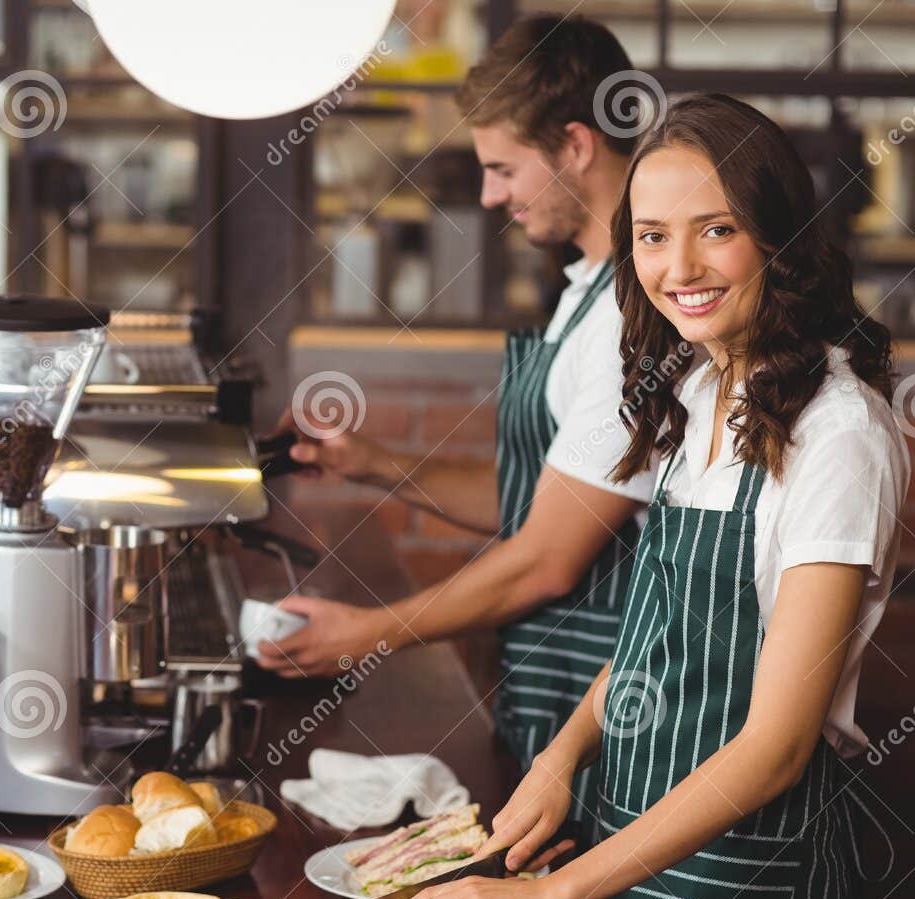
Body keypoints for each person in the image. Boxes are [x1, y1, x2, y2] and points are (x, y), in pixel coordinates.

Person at [393, 94, 906, 899]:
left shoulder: (839, 434)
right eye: (652, 236)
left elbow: (776, 746)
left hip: (746, 892)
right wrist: (561, 758)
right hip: (629, 868)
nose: (679, 268)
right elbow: (652, 640)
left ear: (779, 236)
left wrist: (553, 890)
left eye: (717, 230)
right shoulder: (696, 390)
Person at [259, 16, 656, 823]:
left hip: (616, 710)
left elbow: (546, 558)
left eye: (504, 168)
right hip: (554, 688)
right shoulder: (586, 289)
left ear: (577, 145)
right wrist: (373, 463)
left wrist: (364, 632)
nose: (490, 196)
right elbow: (544, 498)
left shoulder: (632, 315)